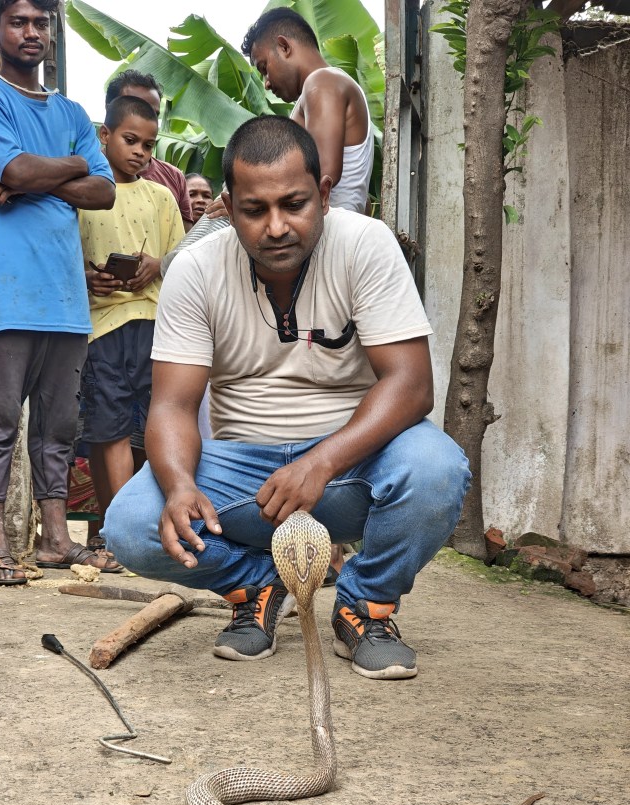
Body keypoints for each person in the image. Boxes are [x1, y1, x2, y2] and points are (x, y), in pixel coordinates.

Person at [103, 116, 470, 680]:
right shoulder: (196, 269)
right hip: (246, 479)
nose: (276, 227)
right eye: (255, 210)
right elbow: (172, 406)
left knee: (437, 467)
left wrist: (320, 461)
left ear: (323, 194)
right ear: (229, 205)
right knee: (131, 524)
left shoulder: (365, 244)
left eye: (294, 204)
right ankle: (254, 584)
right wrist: (179, 487)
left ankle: (365, 605)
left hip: (351, 470)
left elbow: (412, 384)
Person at [0, 0, 117, 584]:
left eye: (41, 22)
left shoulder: (72, 110)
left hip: (66, 296)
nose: (32, 32)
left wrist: (31, 178)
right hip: (10, 288)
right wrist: (70, 166)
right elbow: (19, 173)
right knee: (0, 418)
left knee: (58, 426)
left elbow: (103, 193)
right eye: (19, 21)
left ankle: (55, 539)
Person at [79, 95, 184, 534]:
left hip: (155, 327)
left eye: (148, 144)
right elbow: (66, 258)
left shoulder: (161, 197)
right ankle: (121, 531)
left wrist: (157, 265)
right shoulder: (82, 194)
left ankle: (146, 524)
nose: (140, 151)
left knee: (157, 426)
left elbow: (183, 255)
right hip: (102, 328)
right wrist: (89, 277)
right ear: (104, 136)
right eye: (130, 140)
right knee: (110, 430)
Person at [242, 8, 374, 215]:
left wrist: (246, 200)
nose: (266, 83)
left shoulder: (322, 82)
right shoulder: (321, 87)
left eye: (264, 68)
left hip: (326, 232)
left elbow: (322, 174)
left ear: (284, 46)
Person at [105, 71, 194, 230]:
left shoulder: (173, 178)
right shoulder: (84, 172)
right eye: (136, 108)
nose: (145, 117)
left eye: (154, 113)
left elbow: (182, 245)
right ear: (109, 109)